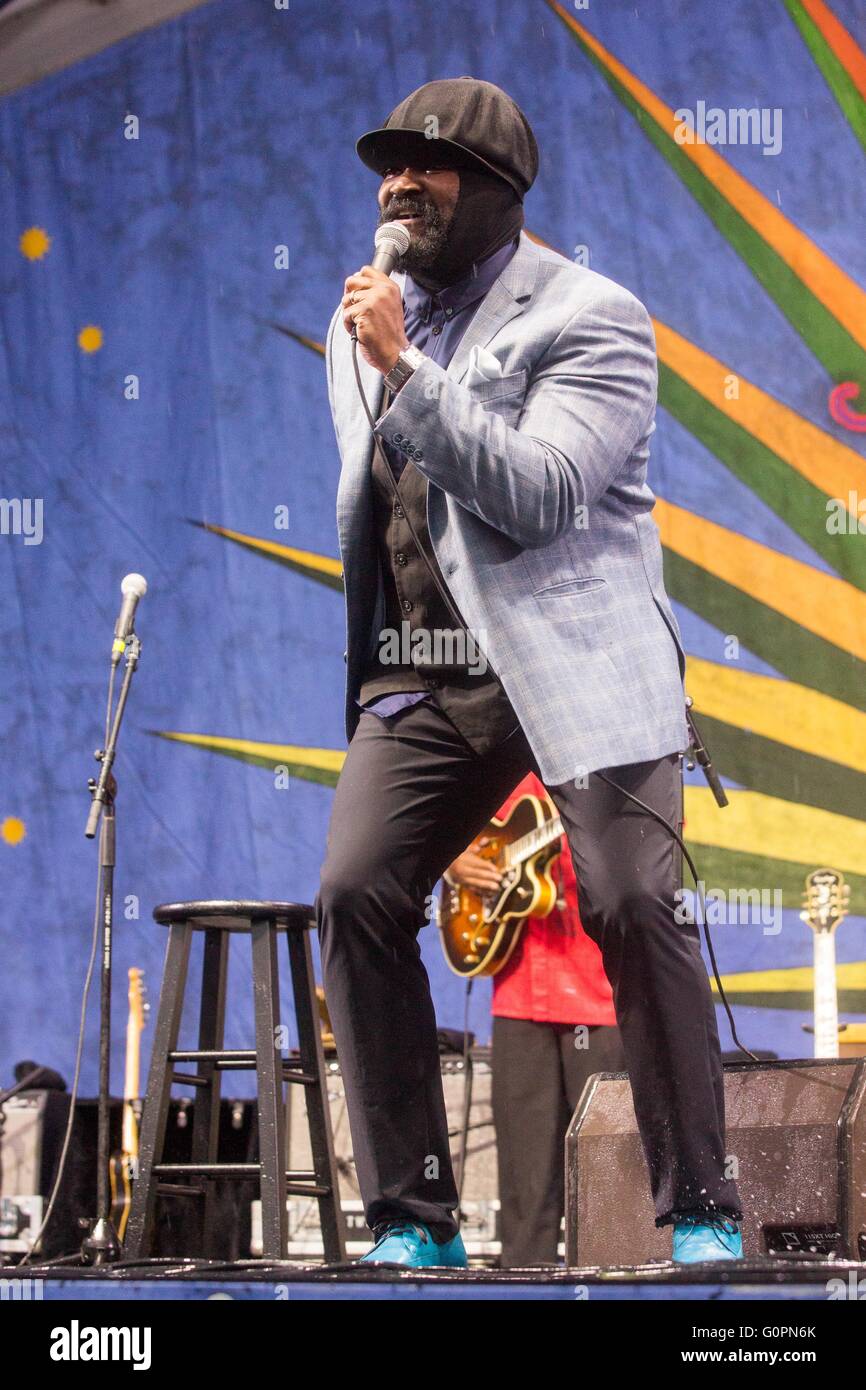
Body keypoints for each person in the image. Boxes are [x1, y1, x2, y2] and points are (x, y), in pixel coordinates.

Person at [316, 76, 742, 1268]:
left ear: (496, 193)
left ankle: (700, 1203)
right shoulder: (360, 327)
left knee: (623, 897)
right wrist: (377, 669)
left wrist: (406, 375)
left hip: (572, 658)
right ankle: (414, 1217)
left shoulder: (591, 315)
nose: (399, 182)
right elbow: (381, 513)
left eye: (428, 165)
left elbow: (543, 495)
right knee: (355, 892)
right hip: (429, 674)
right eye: (388, 164)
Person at [445, 771, 626, 1267]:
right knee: (524, 1184)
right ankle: (525, 1284)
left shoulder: (617, 757)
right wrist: (453, 860)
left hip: (600, 992)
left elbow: (650, 845)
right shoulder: (502, 758)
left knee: (608, 1171)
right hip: (519, 988)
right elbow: (440, 819)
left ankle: (613, 1283)